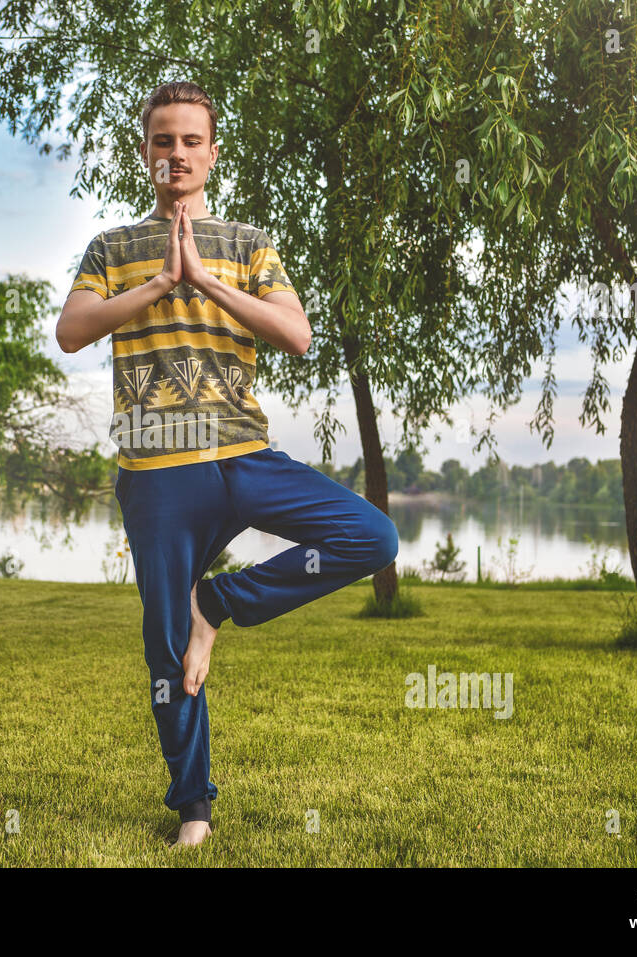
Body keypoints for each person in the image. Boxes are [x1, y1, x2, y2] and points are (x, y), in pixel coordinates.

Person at [55, 81, 399, 847]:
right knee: (163, 643)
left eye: (189, 141)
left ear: (211, 152)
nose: (175, 153)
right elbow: (72, 329)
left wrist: (206, 280)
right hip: (157, 471)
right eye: (161, 140)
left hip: (244, 454)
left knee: (371, 537)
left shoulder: (248, 245)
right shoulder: (112, 248)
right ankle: (194, 810)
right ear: (144, 151)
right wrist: (161, 283)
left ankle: (222, 604)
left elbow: (297, 334)